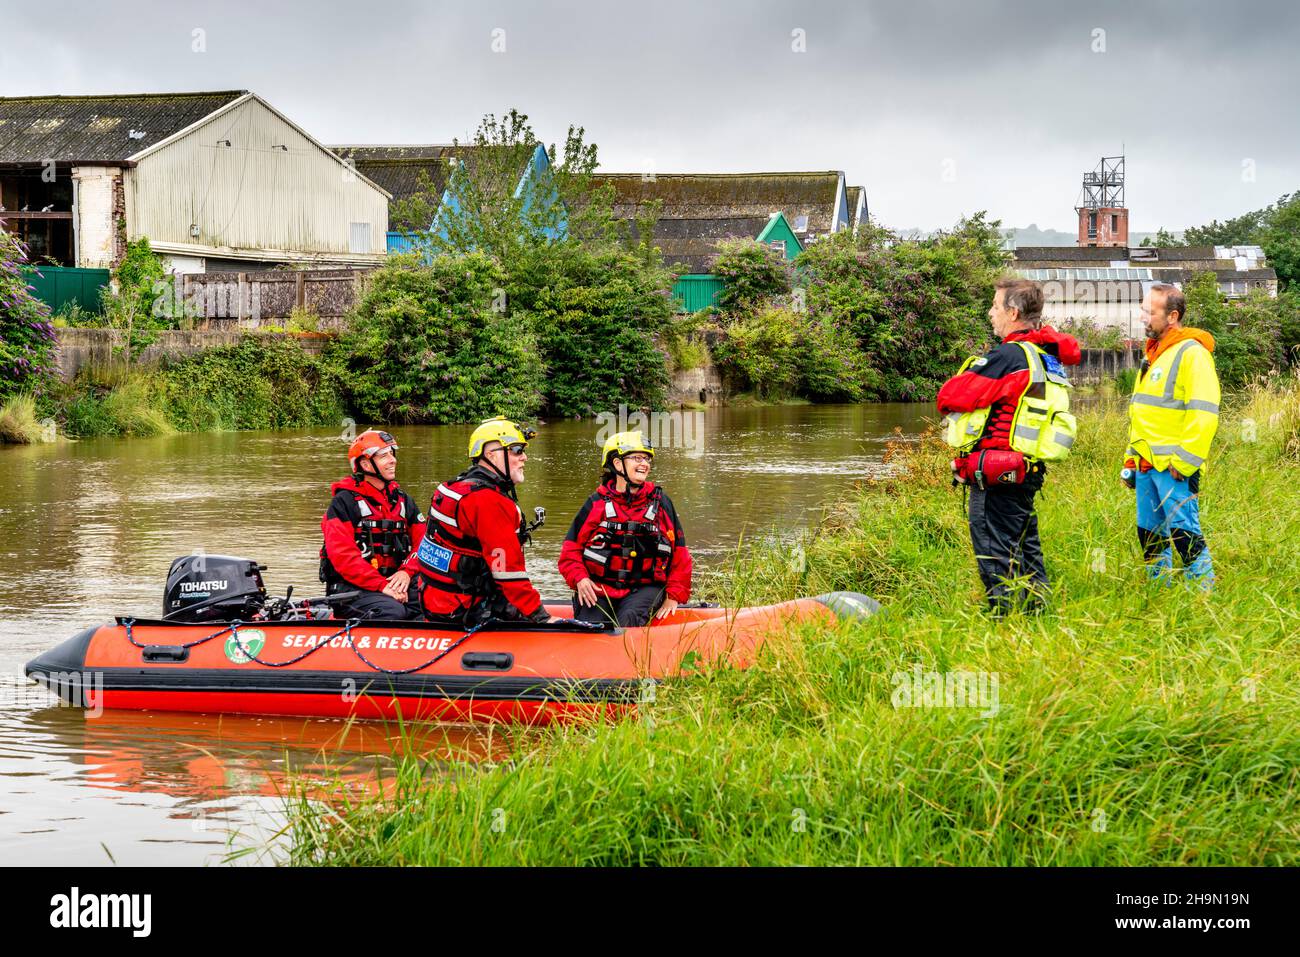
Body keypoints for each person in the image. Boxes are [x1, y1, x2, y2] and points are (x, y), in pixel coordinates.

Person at [938, 278, 1081, 615]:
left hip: (998, 476)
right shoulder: (1045, 357)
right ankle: (1037, 619)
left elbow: (950, 396)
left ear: (1013, 312)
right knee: (1026, 552)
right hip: (1026, 472)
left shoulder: (1009, 357)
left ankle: (1004, 622)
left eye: (995, 305)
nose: (990, 313)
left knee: (994, 553)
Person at [405, 417, 558, 624]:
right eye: (517, 450)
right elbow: (508, 573)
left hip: (435, 599)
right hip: (467, 607)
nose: (525, 458)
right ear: (491, 455)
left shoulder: (453, 487)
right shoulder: (489, 502)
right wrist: (541, 617)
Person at [1122, 282, 1220, 588]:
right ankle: (1159, 591)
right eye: (1142, 310)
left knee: (1184, 534)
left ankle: (1205, 596)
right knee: (1148, 534)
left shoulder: (1193, 354)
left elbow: (1203, 413)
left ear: (1173, 316)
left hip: (1175, 468)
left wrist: (1185, 462)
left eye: (1150, 312)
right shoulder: (1155, 353)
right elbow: (1144, 414)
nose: (1142, 318)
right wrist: (1131, 458)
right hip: (1146, 465)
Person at [558, 430, 692, 626]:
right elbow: (570, 551)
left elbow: (679, 553)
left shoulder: (661, 503)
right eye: (637, 458)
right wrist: (580, 578)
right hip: (600, 587)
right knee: (590, 625)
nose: (644, 464)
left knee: (628, 618)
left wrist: (673, 595)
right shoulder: (596, 504)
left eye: (647, 459)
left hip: (646, 589)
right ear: (617, 463)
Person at [319, 429, 425, 619]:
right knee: (393, 611)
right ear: (366, 463)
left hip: (395, 580)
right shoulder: (343, 503)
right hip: (351, 588)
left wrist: (406, 573)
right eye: (384, 455)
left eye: (392, 454)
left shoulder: (403, 500)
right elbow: (344, 558)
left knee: (433, 596)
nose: (393, 460)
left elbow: (425, 543)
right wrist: (382, 585)